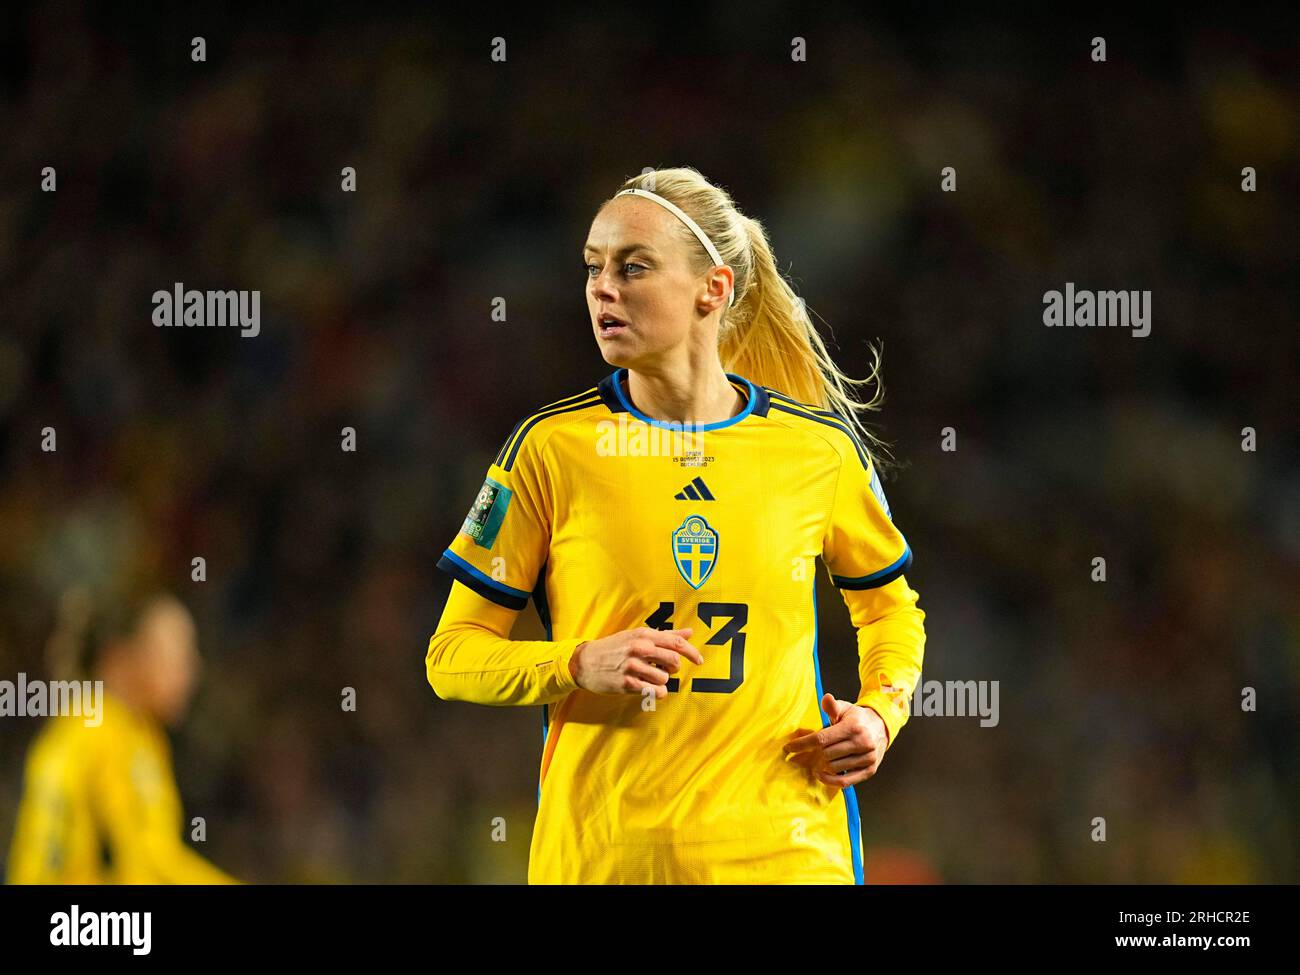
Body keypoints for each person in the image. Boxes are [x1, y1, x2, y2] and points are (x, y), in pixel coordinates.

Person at [427, 166, 925, 884]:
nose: (604, 287)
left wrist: (880, 713)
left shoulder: (816, 453)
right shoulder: (550, 451)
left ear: (712, 289)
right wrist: (575, 662)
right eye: (594, 267)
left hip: (784, 855)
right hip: (607, 859)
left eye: (634, 267)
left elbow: (889, 609)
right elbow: (451, 657)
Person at [7, 585, 238, 884]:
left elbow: (153, 860)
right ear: (121, 656)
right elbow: (38, 851)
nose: (192, 667)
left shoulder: (143, 737)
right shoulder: (84, 730)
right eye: (177, 651)